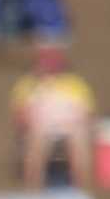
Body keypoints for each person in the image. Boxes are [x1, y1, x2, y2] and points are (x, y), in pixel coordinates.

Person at [10, 40, 94, 189]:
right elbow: (20, 115)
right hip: (39, 127)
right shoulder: (28, 85)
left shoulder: (75, 84)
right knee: (37, 137)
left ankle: (81, 188)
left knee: (79, 138)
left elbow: (87, 113)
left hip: (70, 126)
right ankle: (33, 186)